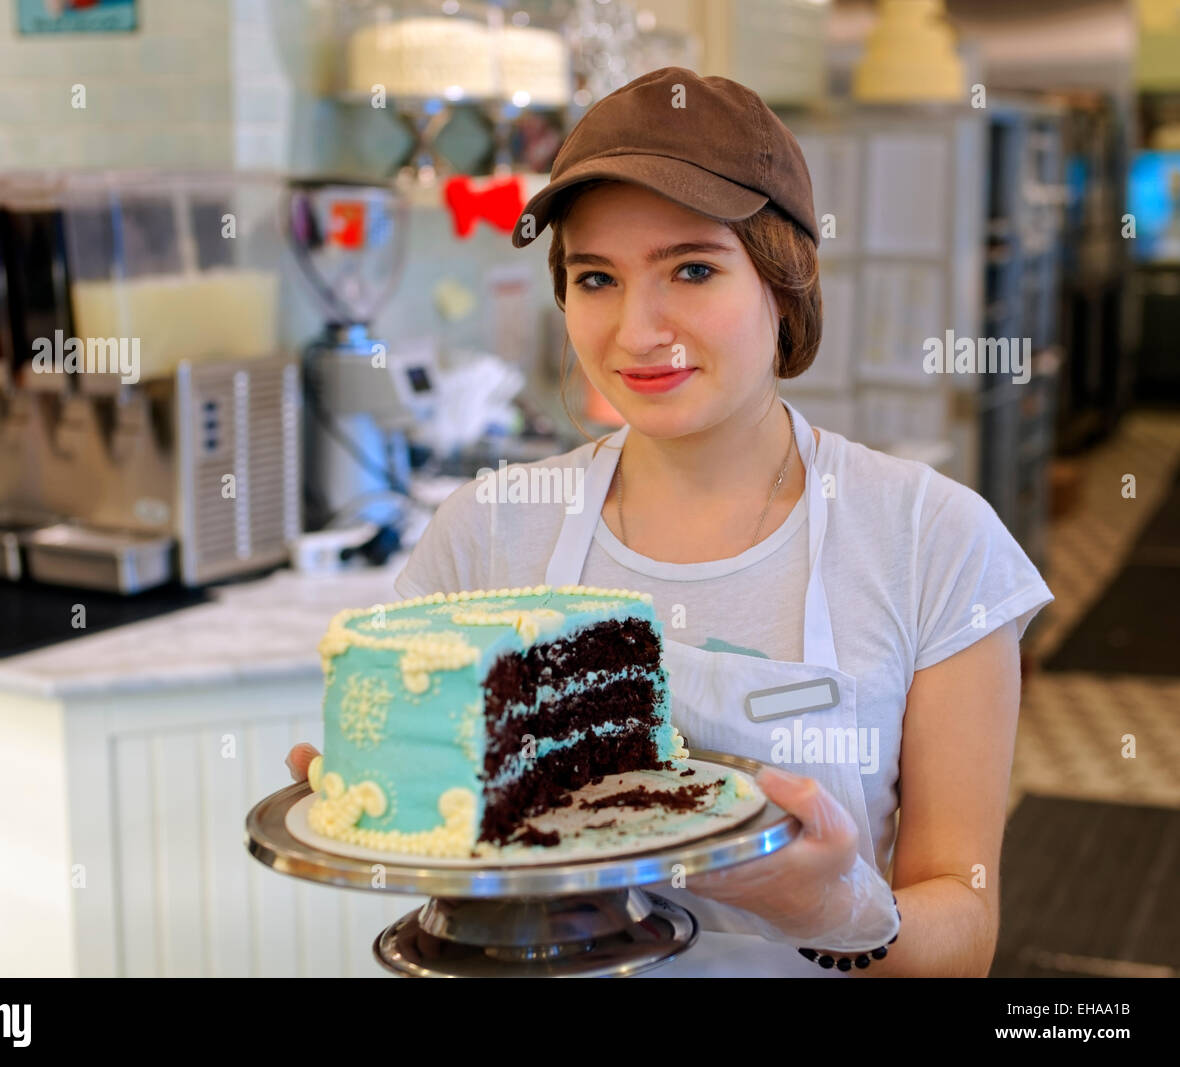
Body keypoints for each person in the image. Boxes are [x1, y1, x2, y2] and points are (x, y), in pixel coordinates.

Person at [286, 67, 1054, 977]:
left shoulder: (932, 539)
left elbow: (961, 933)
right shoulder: (491, 528)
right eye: (596, 277)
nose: (638, 331)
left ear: (783, 280)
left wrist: (827, 906)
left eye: (692, 268)